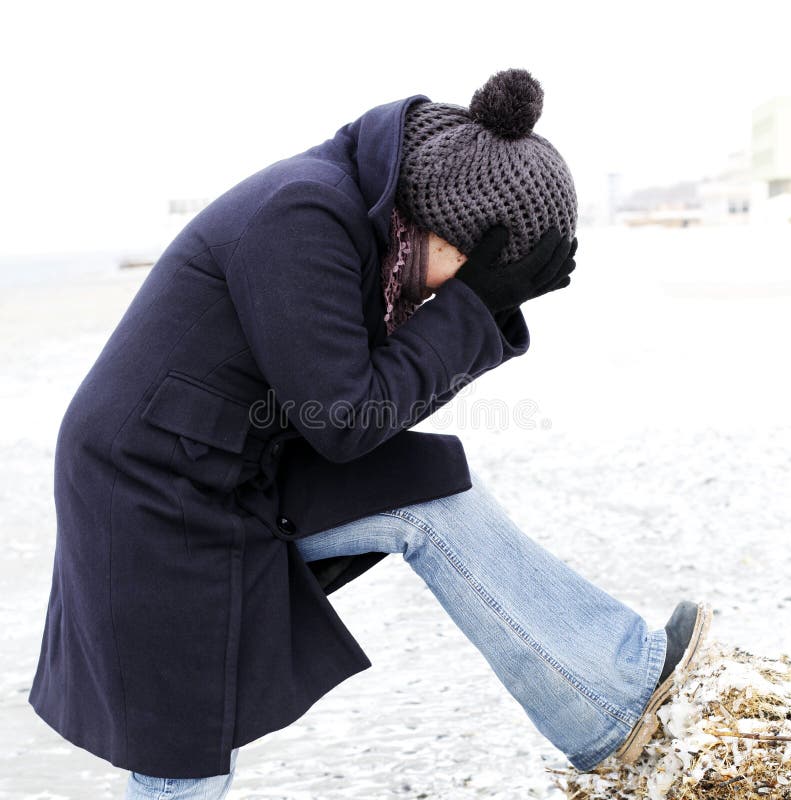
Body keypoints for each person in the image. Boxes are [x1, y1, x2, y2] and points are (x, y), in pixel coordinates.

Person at [28, 68, 711, 800]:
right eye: (467, 268)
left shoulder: (379, 229)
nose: (451, 290)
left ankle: (613, 696)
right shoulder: (301, 215)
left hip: (238, 462)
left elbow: (367, 408)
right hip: (150, 487)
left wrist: (479, 304)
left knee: (432, 491)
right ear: (436, 222)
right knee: (183, 753)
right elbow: (347, 420)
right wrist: (472, 308)